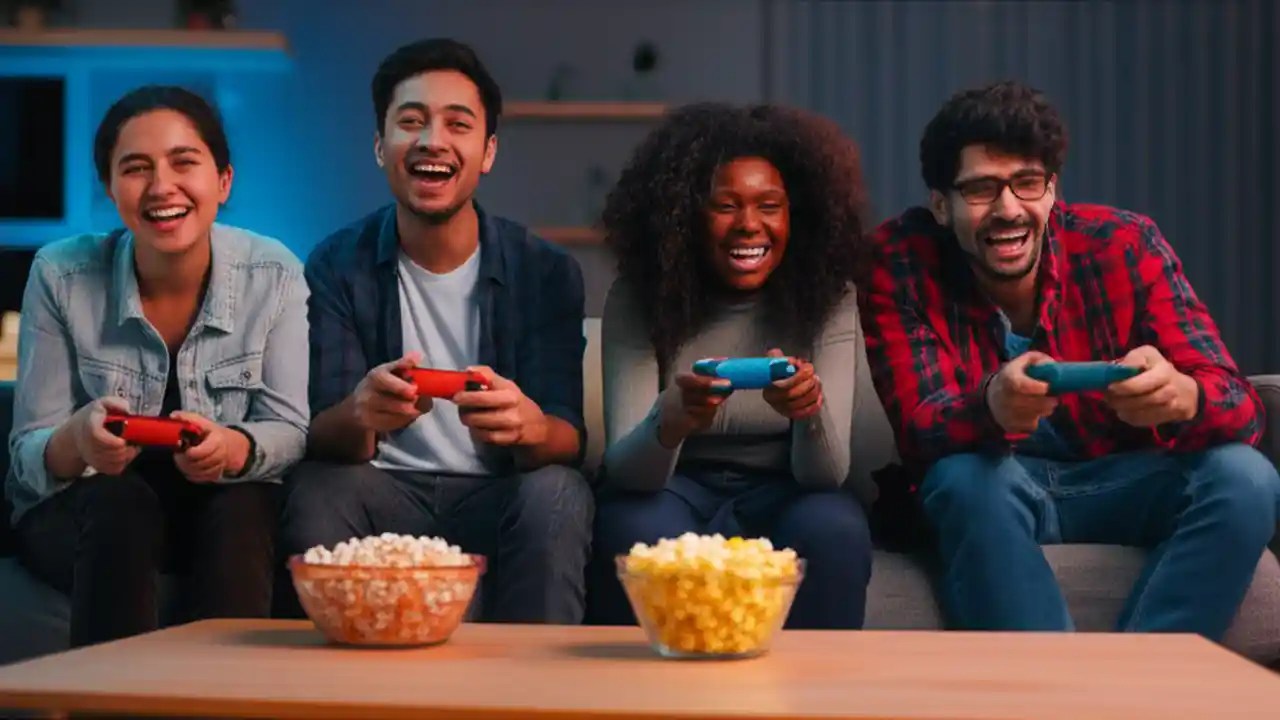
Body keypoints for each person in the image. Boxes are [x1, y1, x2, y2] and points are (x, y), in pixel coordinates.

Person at [858, 80, 1280, 639]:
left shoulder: (1125, 245)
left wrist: (1184, 395)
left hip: (1123, 480)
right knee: (960, 478)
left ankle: (1140, 686)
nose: (1008, 209)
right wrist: (991, 405)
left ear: (1052, 190)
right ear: (942, 204)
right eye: (981, 190)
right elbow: (919, 429)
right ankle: (1048, 692)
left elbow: (1241, 407)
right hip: (994, 482)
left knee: (1246, 477)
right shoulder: (898, 259)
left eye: (1026, 184)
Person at [277, 38, 592, 624]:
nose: (432, 141)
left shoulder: (544, 272)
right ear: (380, 146)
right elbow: (320, 434)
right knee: (319, 486)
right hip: (383, 493)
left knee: (558, 492)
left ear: (487, 150)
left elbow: (569, 438)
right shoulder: (335, 263)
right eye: (411, 122)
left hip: (499, 498)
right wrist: (360, 413)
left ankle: (540, 697)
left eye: (458, 124)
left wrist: (529, 425)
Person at [6, 85, 310, 647]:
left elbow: (290, 430)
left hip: (215, 506)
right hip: (86, 511)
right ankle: (111, 700)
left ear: (223, 181)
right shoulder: (60, 273)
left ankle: (223, 702)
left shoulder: (275, 273)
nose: (161, 186)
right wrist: (78, 439)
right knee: (120, 497)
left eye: (183, 162)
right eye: (136, 168)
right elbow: (27, 454)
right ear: (110, 188)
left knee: (245, 503)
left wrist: (233, 448)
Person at [586, 103, 873, 629]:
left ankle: (819, 705)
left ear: (797, 215)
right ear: (685, 214)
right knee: (630, 530)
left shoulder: (830, 299)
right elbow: (629, 472)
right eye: (725, 205)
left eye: (770, 205)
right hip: (672, 486)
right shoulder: (639, 297)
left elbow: (825, 475)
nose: (749, 225)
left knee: (837, 529)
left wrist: (807, 411)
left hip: (787, 488)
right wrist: (669, 420)